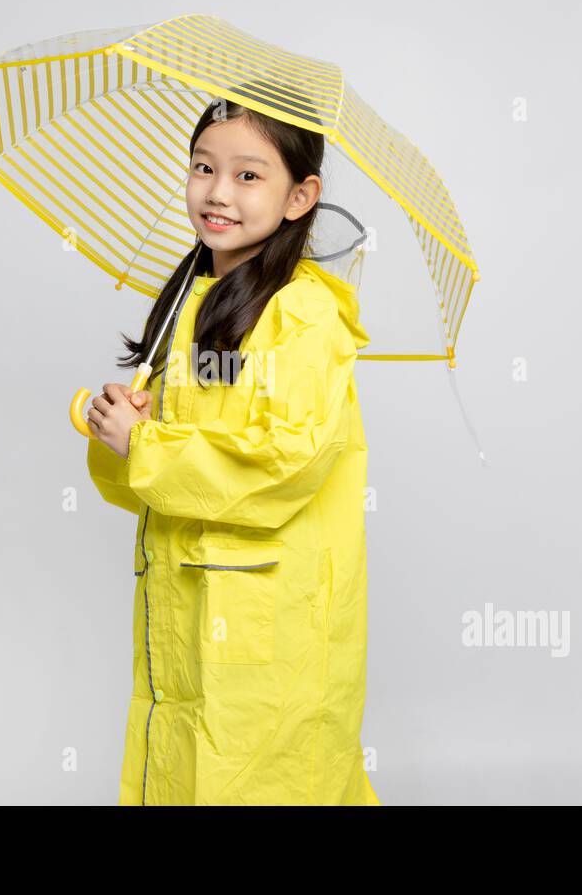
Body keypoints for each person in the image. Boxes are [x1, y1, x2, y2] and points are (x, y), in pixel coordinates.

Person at [85, 89, 381, 805]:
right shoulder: (191, 300)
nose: (217, 193)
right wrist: (123, 431)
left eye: (249, 175)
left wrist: (148, 447)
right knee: (185, 772)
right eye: (202, 167)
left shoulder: (304, 315)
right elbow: (149, 482)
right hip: (187, 603)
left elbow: (286, 463)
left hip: (270, 618)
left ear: (299, 196)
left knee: (268, 779)